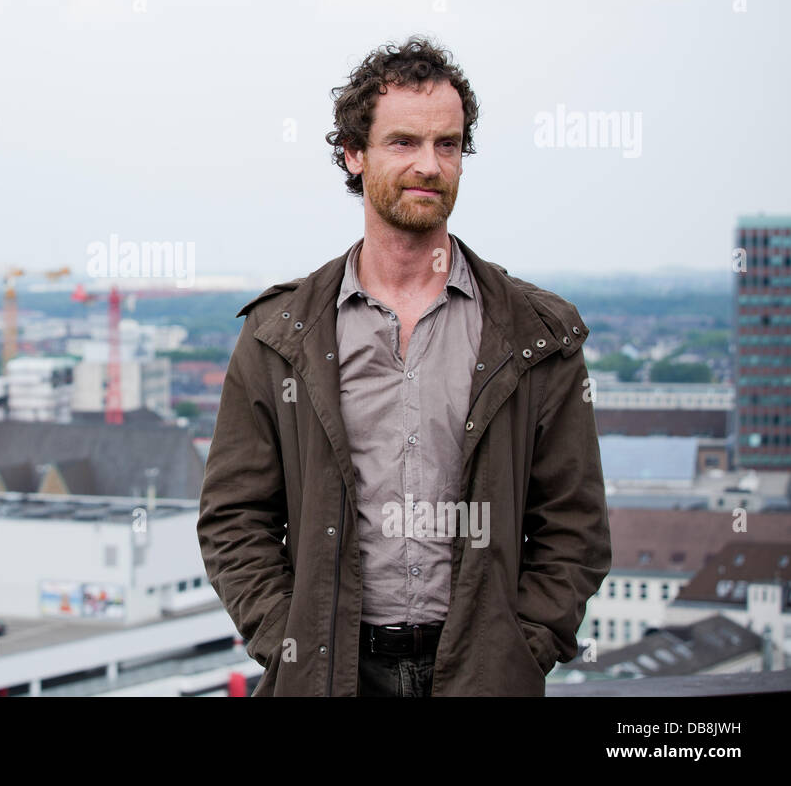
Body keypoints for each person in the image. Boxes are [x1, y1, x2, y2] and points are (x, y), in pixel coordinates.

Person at [197, 36, 611, 696]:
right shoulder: (280, 336)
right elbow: (233, 519)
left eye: (448, 144)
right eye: (404, 142)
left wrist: (521, 648)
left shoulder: (537, 335)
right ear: (353, 155)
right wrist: (289, 643)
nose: (430, 164)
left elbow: (575, 525)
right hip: (334, 677)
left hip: (481, 675)